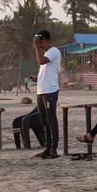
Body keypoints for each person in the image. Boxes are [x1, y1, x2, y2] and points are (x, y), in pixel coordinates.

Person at [33, 29, 62, 159]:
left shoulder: (54, 51)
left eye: (41, 42)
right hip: (41, 91)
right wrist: (37, 78)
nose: (40, 45)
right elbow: (45, 70)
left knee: (51, 120)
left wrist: (36, 46)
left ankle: (54, 150)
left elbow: (41, 61)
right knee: (44, 122)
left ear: (47, 40)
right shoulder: (44, 53)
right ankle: (47, 148)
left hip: (50, 91)